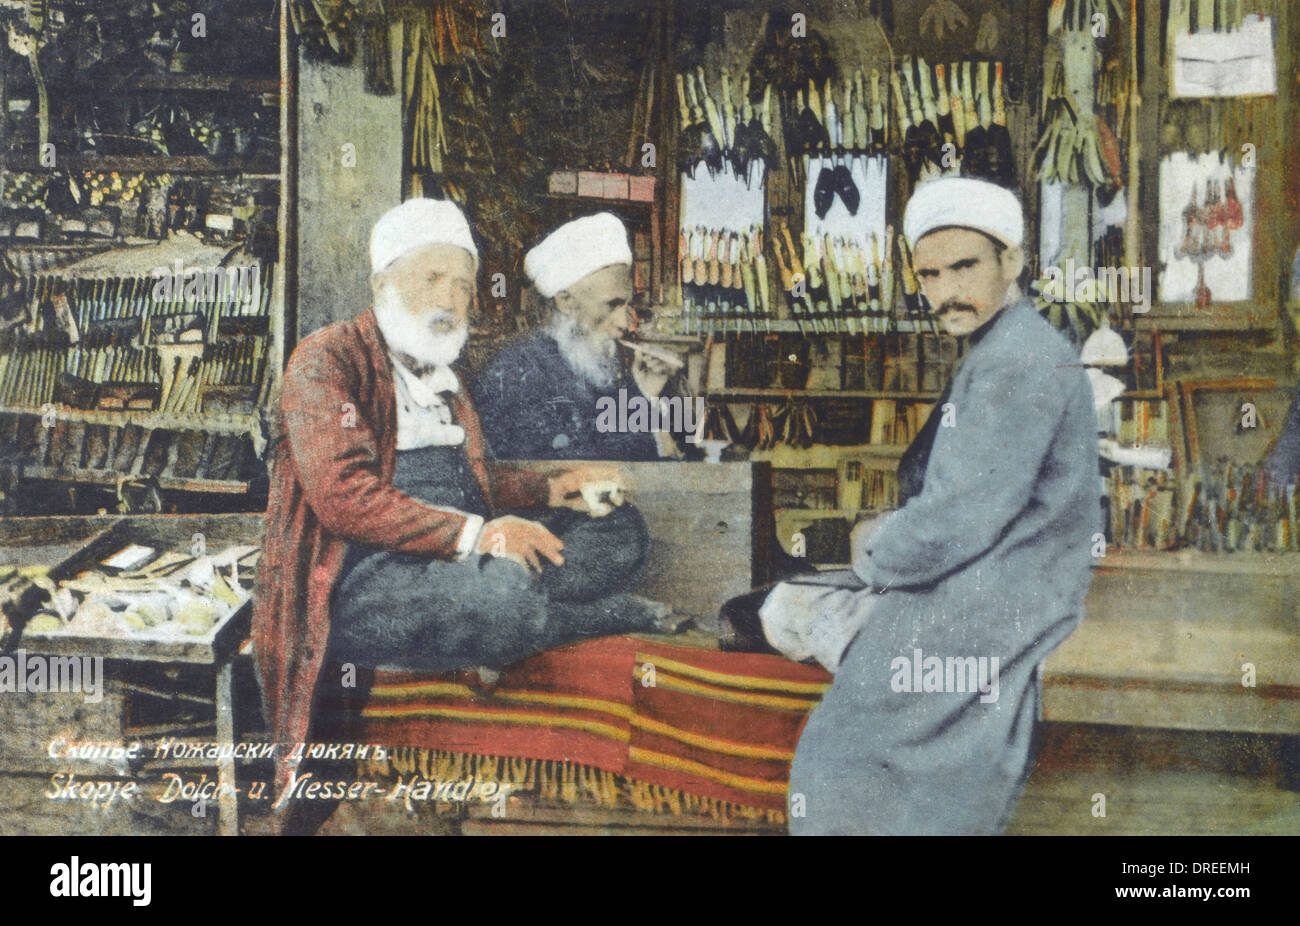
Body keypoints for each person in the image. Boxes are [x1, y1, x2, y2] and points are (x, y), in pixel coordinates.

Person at [252, 199, 680, 832]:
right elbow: (345, 498)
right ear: (381, 285)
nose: (451, 297)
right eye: (432, 278)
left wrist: (547, 490)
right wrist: (481, 535)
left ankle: (519, 617)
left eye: (463, 283)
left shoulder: (443, 372)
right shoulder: (324, 361)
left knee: (619, 531)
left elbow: (468, 480)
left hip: (462, 555)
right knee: (502, 594)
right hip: (363, 576)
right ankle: (578, 618)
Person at [725, 177, 1101, 835]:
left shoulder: (1016, 360)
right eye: (930, 274)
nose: (947, 288)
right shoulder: (1008, 343)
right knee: (794, 611)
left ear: (1011, 262)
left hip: (1000, 588)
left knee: (850, 750)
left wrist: (871, 543)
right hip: (999, 572)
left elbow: (957, 523)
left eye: (965, 266)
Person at [473, 212, 688, 461]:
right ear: (565, 301)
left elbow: (609, 435)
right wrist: (654, 439)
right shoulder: (517, 372)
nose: (624, 323)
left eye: (627, 305)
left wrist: (644, 390)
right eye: (612, 305)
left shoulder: (585, 362)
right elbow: (568, 464)